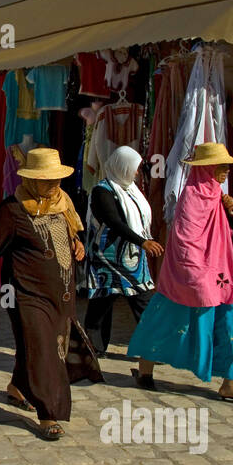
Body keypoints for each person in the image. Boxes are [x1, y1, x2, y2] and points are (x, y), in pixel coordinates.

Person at [0, 147, 102, 441]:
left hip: (62, 295)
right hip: (26, 295)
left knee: (39, 346)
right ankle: (48, 413)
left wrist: (77, 246)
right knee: (44, 350)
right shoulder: (13, 210)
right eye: (46, 180)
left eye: (57, 179)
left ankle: (18, 387)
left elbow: (68, 234)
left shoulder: (62, 203)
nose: (53, 185)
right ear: (32, 179)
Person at [127, 142, 233, 405]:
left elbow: (223, 234)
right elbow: (184, 241)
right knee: (165, 321)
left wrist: (229, 210)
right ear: (207, 168)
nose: (225, 171)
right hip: (192, 278)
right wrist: (196, 277)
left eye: (226, 167)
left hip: (221, 275)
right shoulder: (191, 198)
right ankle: (145, 369)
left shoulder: (215, 195)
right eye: (221, 166)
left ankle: (231, 384)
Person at [84, 146, 164, 355]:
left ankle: (154, 349)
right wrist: (142, 242)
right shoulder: (102, 190)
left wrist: (141, 243)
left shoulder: (131, 190)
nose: (137, 173)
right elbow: (113, 221)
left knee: (144, 302)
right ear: (123, 166)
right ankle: (92, 349)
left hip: (134, 260)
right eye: (135, 168)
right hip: (107, 261)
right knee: (101, 306)